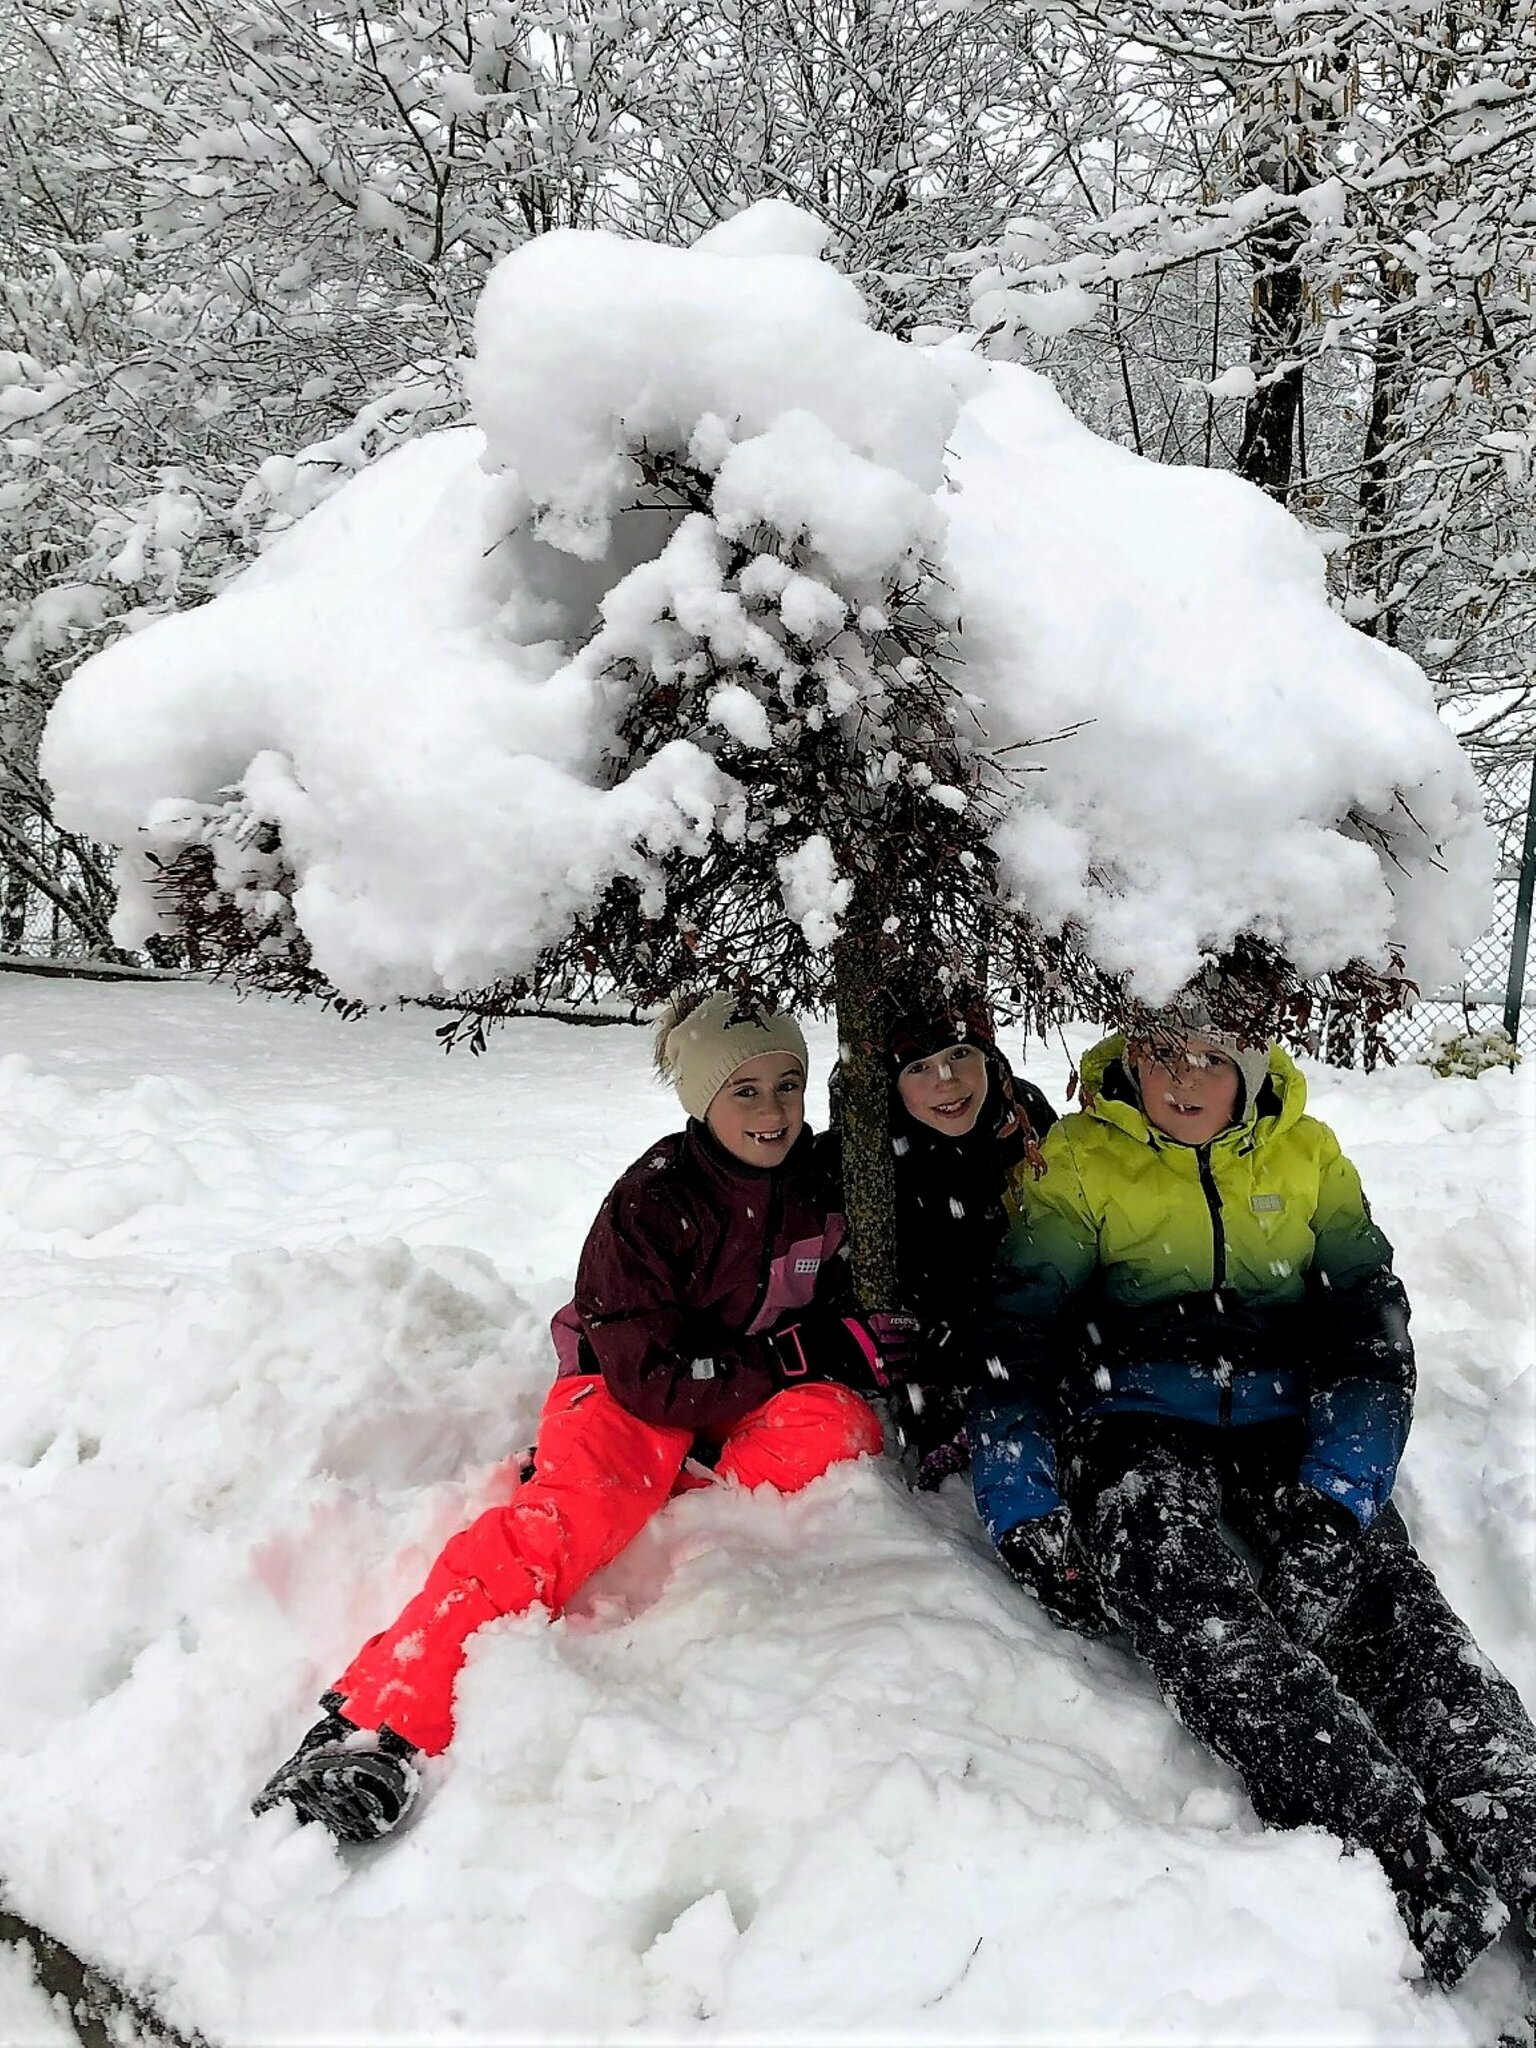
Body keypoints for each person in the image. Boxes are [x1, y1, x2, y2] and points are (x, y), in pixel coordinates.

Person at [968, 992, 1536, 1987]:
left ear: (1253, 1068)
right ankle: (1391, 1848)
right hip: (1135, 1417)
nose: (1183, 1080)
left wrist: (1338, 1499)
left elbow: (1371, 1334)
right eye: (1162, 1053)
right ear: (1131, 1055)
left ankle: (1516, 1825)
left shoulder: (1306, 1155)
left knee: (1385, 1602)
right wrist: (1022, 1505)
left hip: (1283, 1418)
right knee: (1190, 1600)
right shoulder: (1083, 1161)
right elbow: (1017, 1342)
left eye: (1210, 1057)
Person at [255, 991, 910, 1844]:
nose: (773, 1110)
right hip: (630, 1390)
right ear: (701, 1099)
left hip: (730, 1399)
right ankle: (377, 1723)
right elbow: (649, 1377)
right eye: (745, 1091)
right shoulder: (653, 1201)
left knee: (840, 1426)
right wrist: (793, 1355)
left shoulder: (821, 1184)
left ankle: (659, 1504)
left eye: (788, 1084)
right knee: (577, 1512)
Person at [870, 988, 1055, 1489]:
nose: (946, 1080)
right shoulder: (879, 1145)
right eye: (918, 1068)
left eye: (959, 1054)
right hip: (933, 1335)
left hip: (1025, 1320)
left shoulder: (1023, 1117)